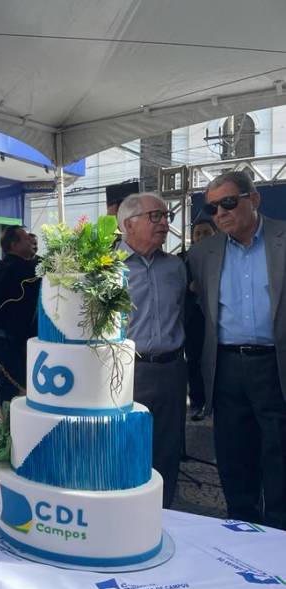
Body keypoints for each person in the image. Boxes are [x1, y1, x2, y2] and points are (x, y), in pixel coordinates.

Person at [188, 170, 286, 529]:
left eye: (228, 203)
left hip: (275, 364)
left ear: (254, 199)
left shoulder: (282, 237)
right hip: (226, 367)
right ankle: (241, 530)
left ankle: (278, 538)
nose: (221, 214)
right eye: (213, 208)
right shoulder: (202, 254)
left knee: (279, 455)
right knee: (233, 455)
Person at [118, 192, 187, 508]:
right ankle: (127, 516)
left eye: (166, 216)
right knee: (128, 449)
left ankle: (164, 515)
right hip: (129, 371)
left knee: (168, 450)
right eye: (155, 216)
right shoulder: (106, 269)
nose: (164, 223)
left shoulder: (176, 267)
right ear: (128, 224)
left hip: (172, 370)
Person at [0, 226, 39, 408]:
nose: (31, 243)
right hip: (9, 342)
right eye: (26, 239)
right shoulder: (23, 270)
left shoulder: (0, 266)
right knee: (11, 388)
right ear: (14, 245)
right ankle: (5, 429)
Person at [182, 214, 216, 421]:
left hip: (216, 319)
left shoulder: (224, 255)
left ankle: (216, 401)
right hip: (194, 318)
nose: (202, 236)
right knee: (194, 360)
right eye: (198, 233)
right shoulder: (184, 258)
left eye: (206, 232)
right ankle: (197, 402)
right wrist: (190, 288)